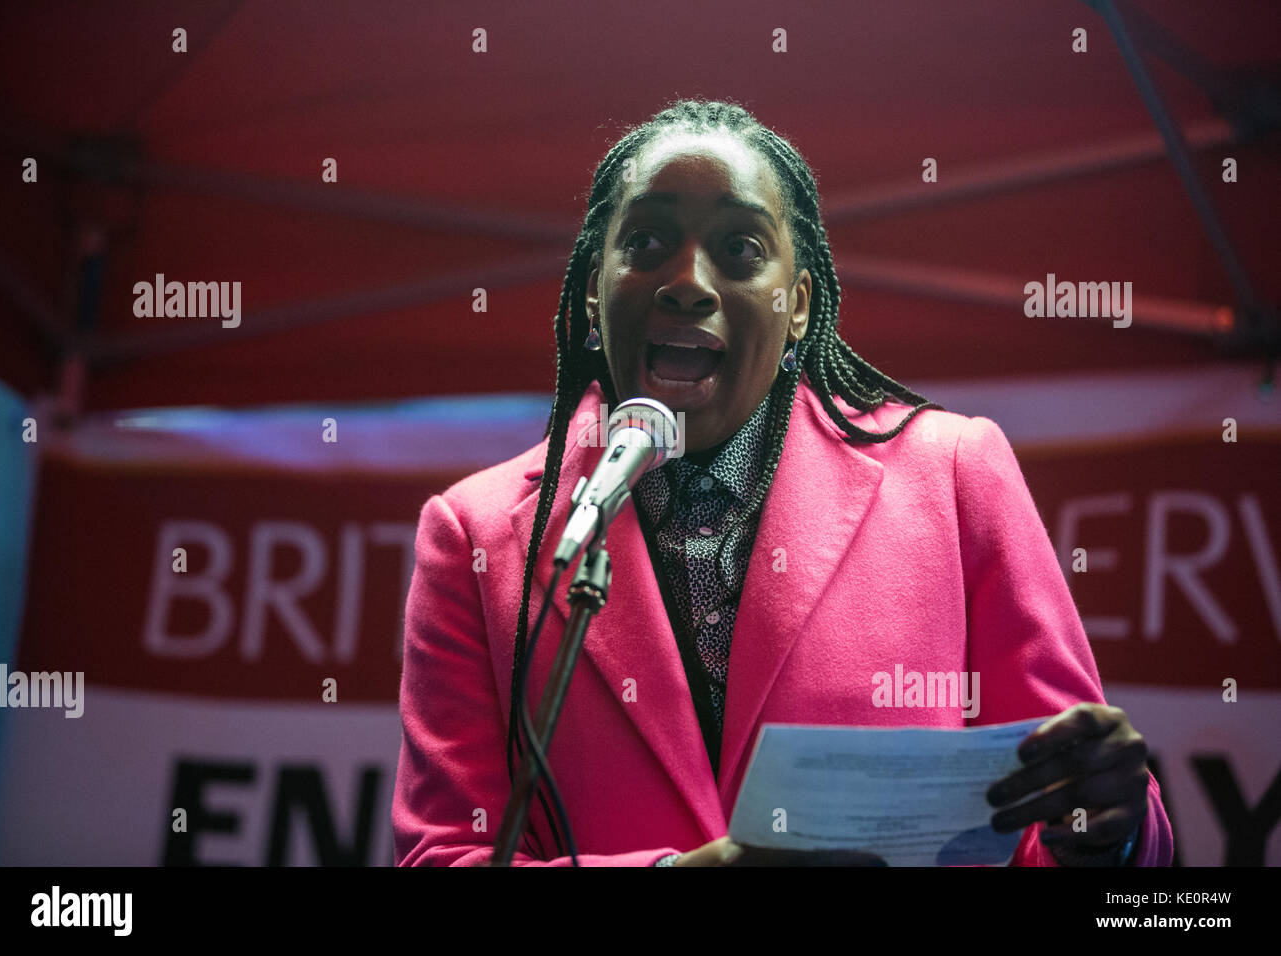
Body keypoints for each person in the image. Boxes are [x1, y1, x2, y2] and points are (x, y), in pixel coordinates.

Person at [392, 98, 1174, 867]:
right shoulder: (475, 534)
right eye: (648, 240)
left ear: (798, 307)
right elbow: (444, 854)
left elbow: (1066, 810)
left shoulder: (953, 475)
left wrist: (1107, 833)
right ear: (594, 293)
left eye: (739, 249)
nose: (688, 281)